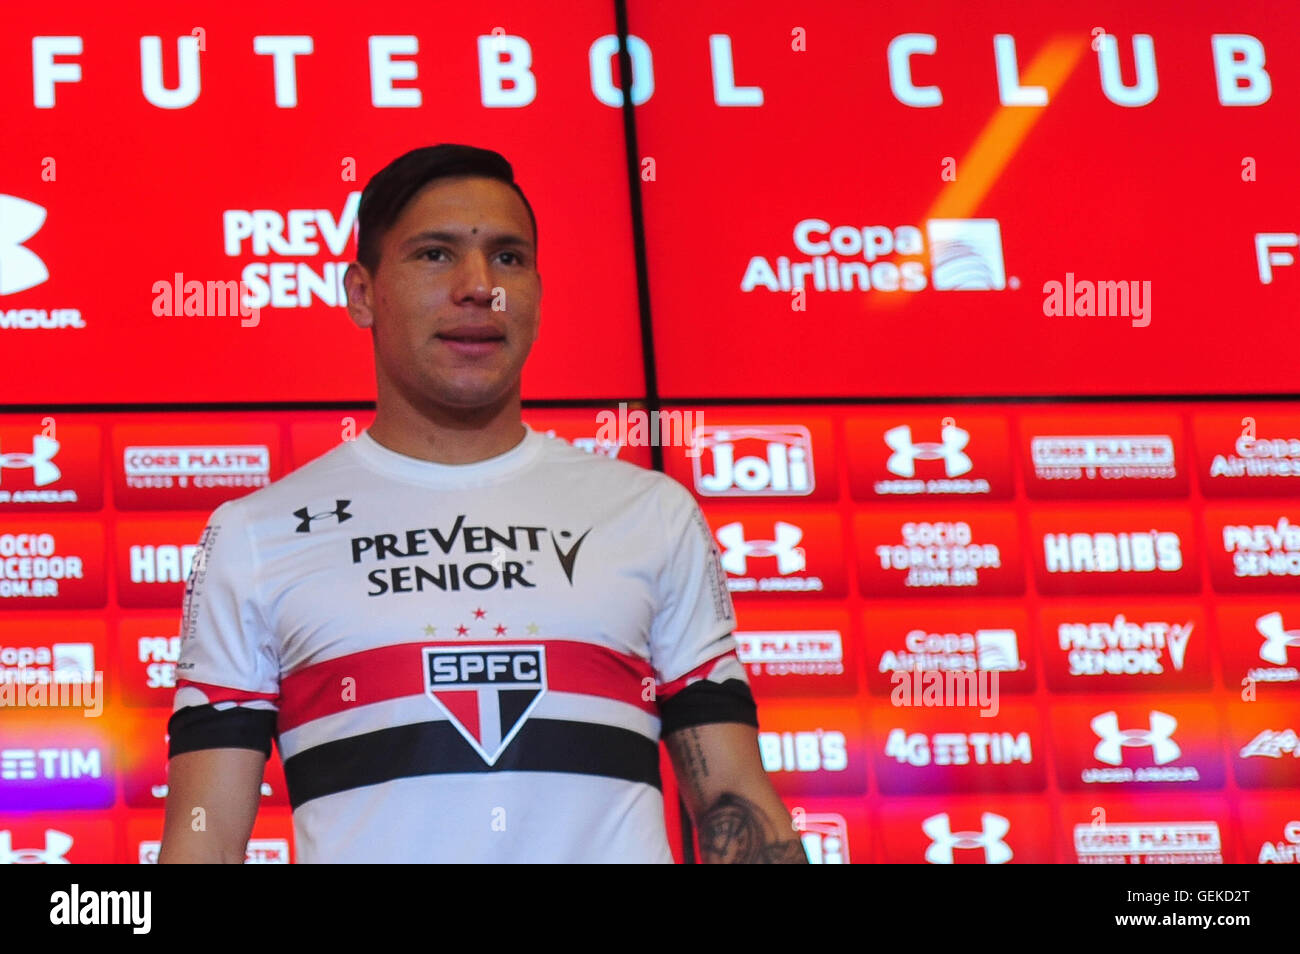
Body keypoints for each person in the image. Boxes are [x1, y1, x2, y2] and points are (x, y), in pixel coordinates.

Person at [157, 143, 806, 863]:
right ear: (361, 294)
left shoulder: (651, 513)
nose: (479, 288)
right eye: (435, 255)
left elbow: (735, 804)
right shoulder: (255, 535)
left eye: (508, 258)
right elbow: (204, 837)